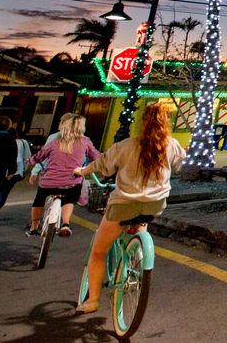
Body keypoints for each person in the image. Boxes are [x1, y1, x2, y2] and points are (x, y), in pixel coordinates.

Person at [74, 102, 185, 314]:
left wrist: (81, 171)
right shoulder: (171, 145)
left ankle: (93, 300)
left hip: (124, 204)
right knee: (141, 222)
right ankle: (137, 265)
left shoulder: (126, 145)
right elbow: (179, 164)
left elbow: (102, 166)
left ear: (143, 122)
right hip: (155, 204)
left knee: (98, 252)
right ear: (167, 123)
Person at [28, 112, 100, 237]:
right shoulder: (85, 142)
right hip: (72, 182)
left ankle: (34, 226)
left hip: (49, 182)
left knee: (39, 200)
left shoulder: (55, 141)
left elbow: (39, 157)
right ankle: (66, 224)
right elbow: (97, 157)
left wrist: (29, 163)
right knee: (69, 200)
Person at [0, 121, 32, 225]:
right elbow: (27, 158)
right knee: (4, 192)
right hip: (15, 173)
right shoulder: (22, 142)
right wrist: (23, 170)